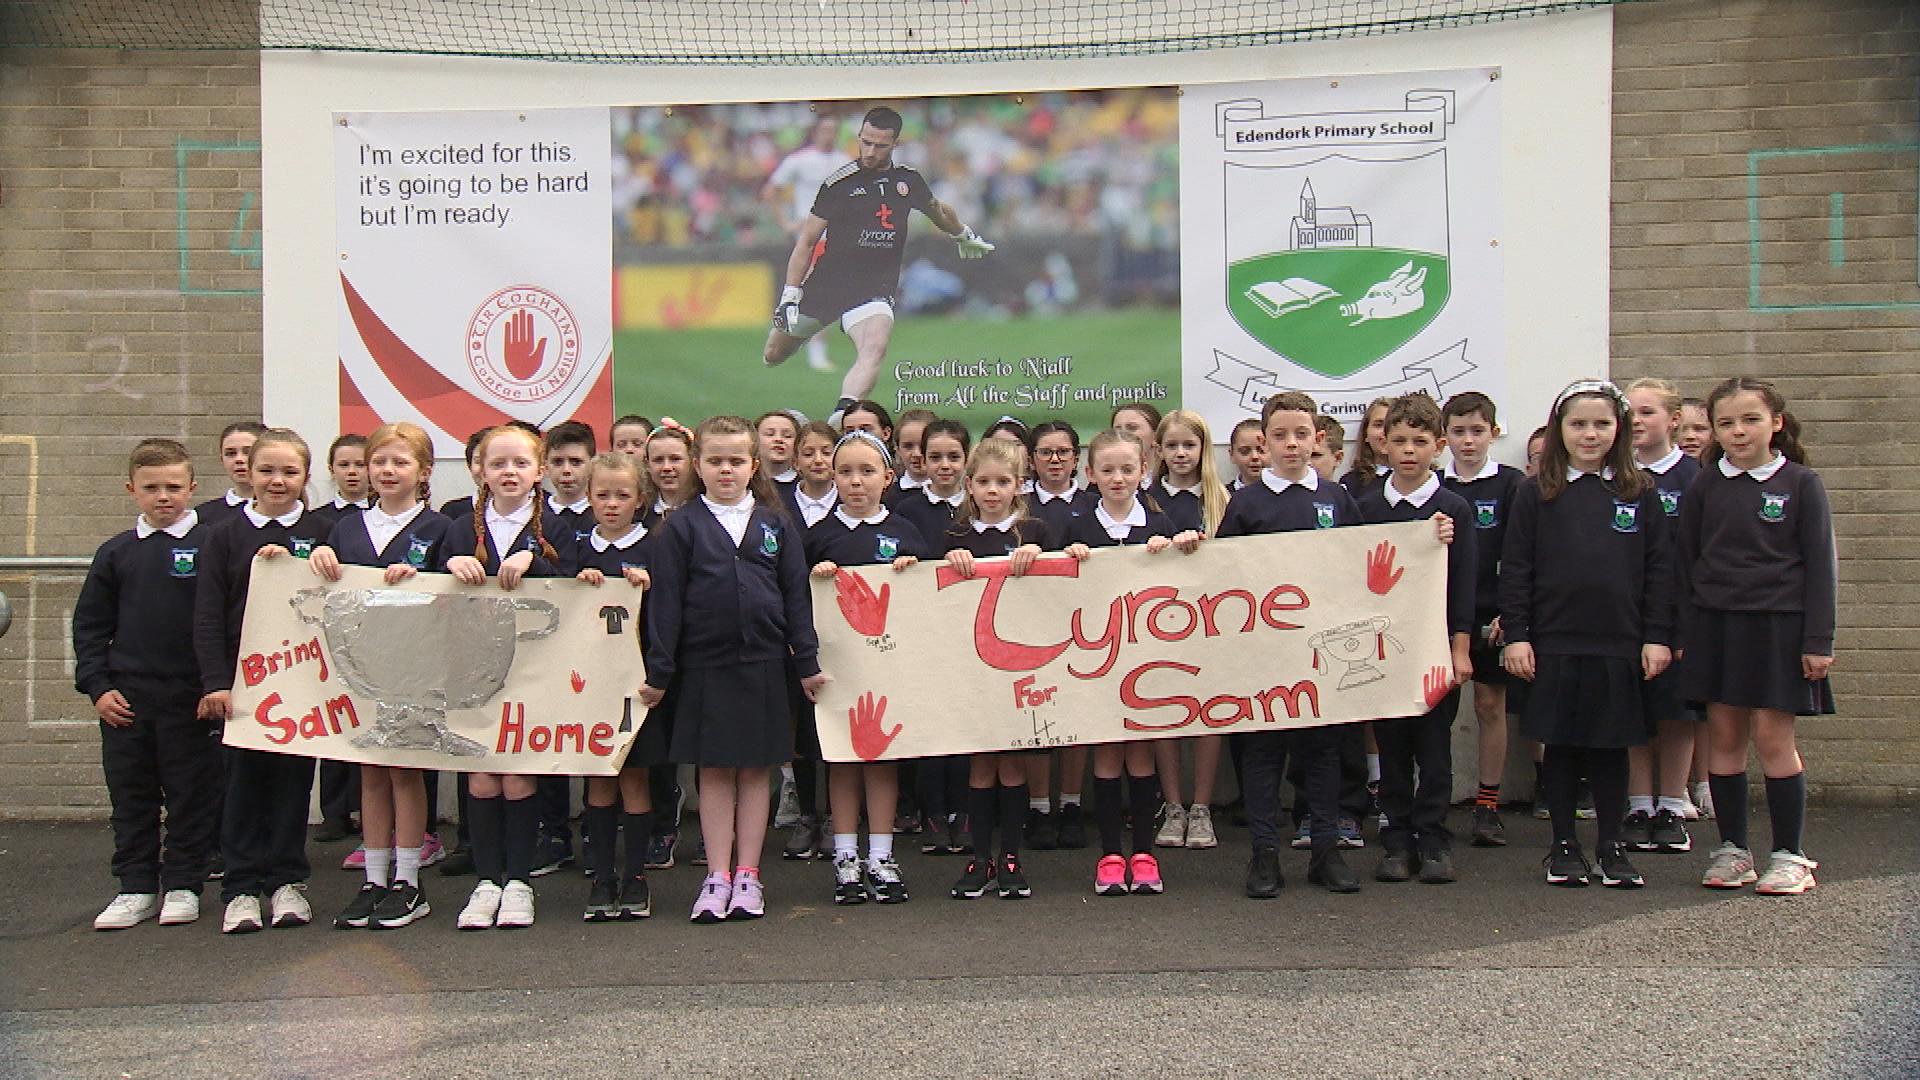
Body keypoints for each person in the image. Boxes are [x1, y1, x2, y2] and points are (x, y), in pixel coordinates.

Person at [640, 415, 827, 923]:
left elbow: (796, 596)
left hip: (765, 665)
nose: (726, 470)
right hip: (705, 667)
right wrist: (660, 672)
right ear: (697, 465)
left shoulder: (774, 523)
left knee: (755, 771)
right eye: (715, 460)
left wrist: (806, 661)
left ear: (754, 465)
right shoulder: (679, 527)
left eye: (736, 461)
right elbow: (666, 606)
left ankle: (748, 875)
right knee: (715, 771)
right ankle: (716, 876)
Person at [1501, 380, 1672, 890]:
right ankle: (1563, 846)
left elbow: (1660, 570)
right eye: (1578, 424)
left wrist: (1656, 636)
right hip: (1554, 642)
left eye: (1601, 423)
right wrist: (1517, 635)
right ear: (1560, 430)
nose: (1590, 434)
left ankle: (1611, 845)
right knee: (1562, 745)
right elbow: (1516, 569)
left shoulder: (1639, 491)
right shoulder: (1535, 492)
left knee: (1610, 747)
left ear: (1620, 429)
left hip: (1619, 642)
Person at [1682, 377, 1835, 895]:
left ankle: (1790, 856)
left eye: (1750, 420)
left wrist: (1818, 642)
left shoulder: (1802, 484)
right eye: (1726, 423)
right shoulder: (1704, 485)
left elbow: (1821, 567)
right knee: (1724, 740)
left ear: (1776, 423)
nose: (1739, 431)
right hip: (1716, 627)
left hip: (1779, 629)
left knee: (1773, 740)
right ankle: (1733, 851)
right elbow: (1685, 563)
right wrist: (1683, 632)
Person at [760, 106, 996, 427]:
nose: (870, 151)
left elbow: (938, 210)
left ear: (895, 144)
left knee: (874, 347)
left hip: (874, 287)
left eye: (880, 145)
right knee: (773, 355)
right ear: (858, 136)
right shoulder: (839, 184)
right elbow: (807, 241)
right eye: (866, 142)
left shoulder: (908, 181)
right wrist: (789, 295)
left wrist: (963, 235)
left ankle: (842, 420)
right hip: (828, 283)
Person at [306, 422, 451, 930]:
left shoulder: (440, 529)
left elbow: (458, 594)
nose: (388, 471)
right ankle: (374, 878)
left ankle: (408, 880)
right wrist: (316, 557)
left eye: (400, 462)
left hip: (414, 669)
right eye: (379, 462)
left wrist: (427, 580)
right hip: (359, 668)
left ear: (424, 471)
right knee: (368, 771)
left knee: (404, 771)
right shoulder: (345, 529)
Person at [1220, 392, 1363, 897]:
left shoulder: (1336, 498)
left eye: (1301, 435)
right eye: (1279, 435)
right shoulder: (1247, 502)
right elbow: (1224, 575)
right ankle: (1264, 855)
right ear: (1264, 441)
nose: (1291, 444)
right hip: (1265, 652)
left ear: (1317, 438)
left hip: (1323, 649)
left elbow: (1359, 563)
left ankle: (1325, 850)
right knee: (1263, 753)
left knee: (1322, 751)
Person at [75, 439, 221, 930]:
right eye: (152, 487)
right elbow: (90, 627)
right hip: (128, 700)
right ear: (131, 489)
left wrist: (213, 685)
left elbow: (228, 622)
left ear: (192, 488)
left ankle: (183, 885)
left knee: (190, 796)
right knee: (132, 797)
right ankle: (135, 887)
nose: (163, 496)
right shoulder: (116, 552)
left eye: (174, 487)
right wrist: (98, 688)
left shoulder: (212, 545)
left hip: (191, 699)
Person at [193, 428, 330, 934]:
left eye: (290, 472)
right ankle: (241, 887)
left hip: (302, 683)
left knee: (292, 785)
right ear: (248, 474)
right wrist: (216, 681)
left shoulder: (324, 531)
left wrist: (321, 566)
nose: (278, 481)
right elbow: (208, 614)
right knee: (241, 785)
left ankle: (287, 881)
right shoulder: (224, 534)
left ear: (306, 477)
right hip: (243, 686)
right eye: (267, 470)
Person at [443, 424, 575, 929]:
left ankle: (518, 881)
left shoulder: (556, 527)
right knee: (481, 776)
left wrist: (535, 559)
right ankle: (486, 881)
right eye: (497, 463)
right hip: (474, 670)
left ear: (539, 471)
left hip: (532, 669)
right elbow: (429, 586)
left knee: (518, 773)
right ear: (480, 470)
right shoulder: (460, 527)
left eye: (521, 463)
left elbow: (576, 587)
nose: (509, 472)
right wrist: (451, 563)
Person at [1062, 428, 1202, 895]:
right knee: (1107, 754)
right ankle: (1109, 855)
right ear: (1090, 474)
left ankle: (1143, 853)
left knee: (1141, 753)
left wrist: (1183, 547)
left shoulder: (1162, 523)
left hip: (1148, 659)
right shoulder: (1077, 527)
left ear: (1145, 470)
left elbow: (1191, 580)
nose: (1118, 478)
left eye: (1127, 468)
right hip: (1097, 659)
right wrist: (1069, 558)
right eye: (1107, 470)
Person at [804, 430, 929, 904]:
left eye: (867, 471)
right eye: (846, 472)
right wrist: (815, 579)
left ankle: (881, 855)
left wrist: (914, 573)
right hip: (837, 671)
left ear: (888, 478)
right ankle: (845, 857)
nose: (856, 481)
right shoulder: (819, 537)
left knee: (881, 758)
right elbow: (797, 598)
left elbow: (925, 602)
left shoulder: (905, 534)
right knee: (842, 759)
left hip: (887, 669)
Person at [1356, 395, 1476, 885]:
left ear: (1438, 446)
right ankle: (1397, 839)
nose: (1409, 450)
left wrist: (1460, 648)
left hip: (1434, 648)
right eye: (1400, 440)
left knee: (1434, 750)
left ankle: (1434, 839)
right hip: (1385, 649)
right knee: (1392, 748)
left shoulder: (1453, 508)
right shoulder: (1366, 507)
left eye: (1420, 441)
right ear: (1383, 444)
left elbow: (1464, 584)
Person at [941, 438, 1052, 899]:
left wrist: (1041, 557)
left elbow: (1069, 577)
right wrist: (949, 561)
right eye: (983, 481)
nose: (992, 490)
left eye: (1002, 482)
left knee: (1012, 763)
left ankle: (1011, 857)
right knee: (981, 764)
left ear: (1019, 485)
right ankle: (979, 856)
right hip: (971, 668)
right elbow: (930, 587)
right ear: (968, 485)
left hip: (1019, 667)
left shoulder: (1037, 531)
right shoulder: (955, 536)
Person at [571, 453, 661, 921]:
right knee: (599, 778)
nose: (611, 504)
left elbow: (669, 616)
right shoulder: (576, 548)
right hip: (590, 685)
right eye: (602, 495)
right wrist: (577, 584)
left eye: (622, 495)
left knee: (634, 779)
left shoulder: (654, 548)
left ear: (639, 500)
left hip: (636, 683)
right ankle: (602, 877)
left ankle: (636, 878)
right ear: (588, 497)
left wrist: (649, 587)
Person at [1620, 378, 1704, 855]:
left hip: (1678, 617)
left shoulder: (1695, 477)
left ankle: (1672, 804)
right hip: (1626, 615)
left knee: (1676, 713)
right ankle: (1638, 805)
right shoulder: (1615, 475)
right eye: (1629, 412)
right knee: (1634, 712)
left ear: (1674, 420)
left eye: (1647, 412)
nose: (1636, 421)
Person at [1440, 391, 1524, 846]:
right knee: (1436, 711)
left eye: (1477, 431)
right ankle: (1429, 802)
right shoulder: (1434, 485)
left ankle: (1487, 804)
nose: (1468, 441)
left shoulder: (1511, 485)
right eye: (1458, 432)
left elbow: (1521, 554)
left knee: (1490, 707)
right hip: (1441, 617)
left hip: (1493, 617)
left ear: (1493, 433)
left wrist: (1513, 612)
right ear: (1444, 437)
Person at [1145, 409, 1230, 850]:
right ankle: (1173, 804)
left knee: (1208, 715)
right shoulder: (1146, 499)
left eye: (1189, 445)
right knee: (1164, 713)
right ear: (1158, 450)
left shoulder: (1221, 498)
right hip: (1154, 624)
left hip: (1210, 625)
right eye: (1172, 445)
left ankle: (1201, 807)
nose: (1181, 454)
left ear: (1203, 449)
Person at [889, 417, 971, 850]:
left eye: (953, 456)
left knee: (965, 724)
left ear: (967, 459)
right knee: (931, 724)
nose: (944, 465)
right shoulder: (905, 509)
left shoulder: (978, 506)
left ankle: (964, 810)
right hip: (922, 631)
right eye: (935, 456)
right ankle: (933, 812)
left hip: (970, 632)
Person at [762, 112, 851, 373]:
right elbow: (771, 190)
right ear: (816, 132)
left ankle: (786, 334)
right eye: (825, 130)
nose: (829, 136)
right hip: (811, 237)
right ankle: (812, 352)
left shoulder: (845, 162)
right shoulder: (800, 161)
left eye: (833, 131)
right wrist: (785, 223)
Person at [193, 420, 264, 527]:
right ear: (222, 459)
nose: (239, 459)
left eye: (248, 452)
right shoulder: (203, 515)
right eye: (230, 453)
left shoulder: (285, 511)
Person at [883, 407, 937, 508]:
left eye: (923, 445)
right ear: (898, 450)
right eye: (908, 446)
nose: (917, 453)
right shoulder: (888, 497)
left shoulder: (954, 495)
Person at [1340, 397, 1393, 497]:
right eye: (1379, 425)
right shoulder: (1351, 483)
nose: (1385, 432)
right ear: (1366, 434)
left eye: (1392, 425)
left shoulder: (1419, 478)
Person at [756, 410, 802, 505]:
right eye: (770, 434)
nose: (778, 439)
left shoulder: (804, 487)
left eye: (787, 436)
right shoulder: (744, 485)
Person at [1109, 403, 1163, 481]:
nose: (1123, 434)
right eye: (1117, 430)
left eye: (1132, 428)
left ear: (1155, 436)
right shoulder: (1101, 482)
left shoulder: (1171, 481)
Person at [1227, 418, 1265, 491]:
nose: (1255, 457)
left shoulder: (1285, 494)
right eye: (1245, 451)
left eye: (1261, 450)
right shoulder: (1220, 496)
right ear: (1232, 455)